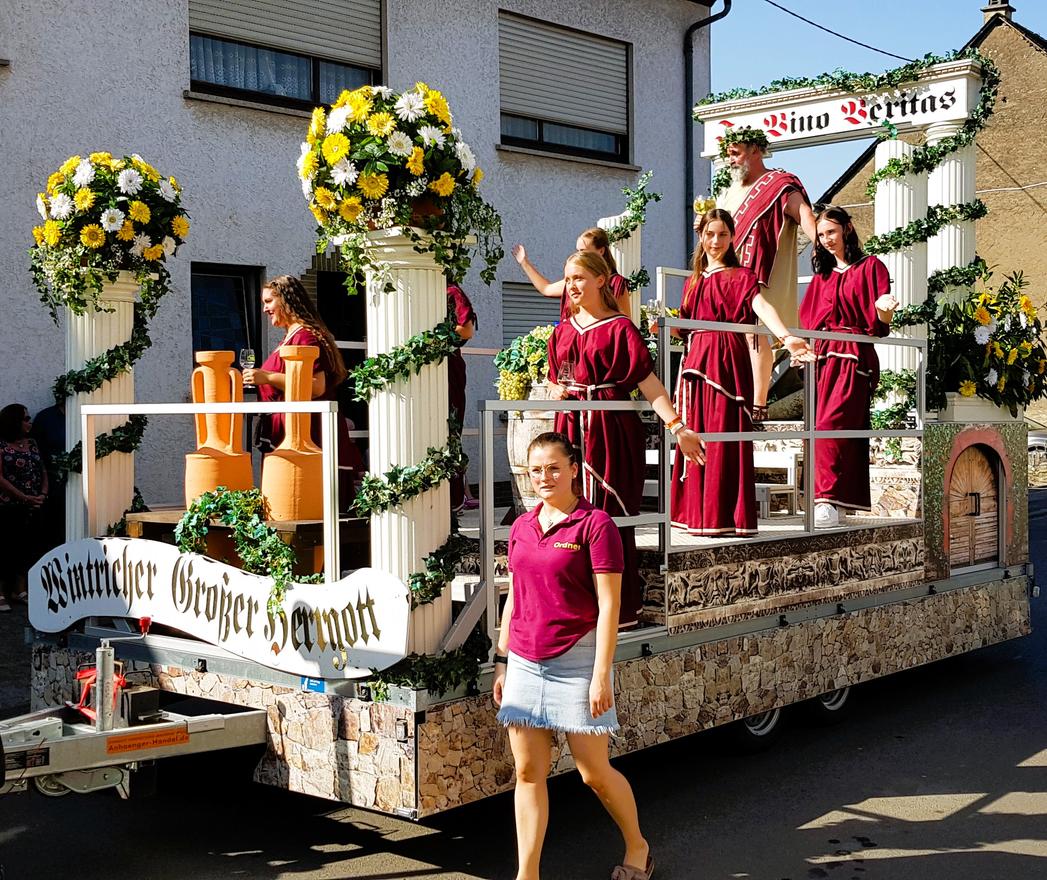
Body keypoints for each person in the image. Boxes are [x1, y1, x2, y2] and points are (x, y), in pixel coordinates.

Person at [493, 431, 654, 880]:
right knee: (527, 772)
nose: (544, 477)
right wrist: (502, 659)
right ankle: (528, 874)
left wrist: (601, 674)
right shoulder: (523, 526)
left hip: (577, 659)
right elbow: (514, 597)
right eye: (535, 469)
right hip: (525, 657)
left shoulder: (595, 525)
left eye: (553, 467)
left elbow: (609, 605)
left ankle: (638, 845)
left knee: (593, 771)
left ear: (573, 469)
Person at [547, 251, 704, 627]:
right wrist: (555, 390)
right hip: (570, 424)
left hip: (611, 427)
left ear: (601, 280)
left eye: (579, 278)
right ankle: (574, 605)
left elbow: (649, 385)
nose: (572, 286)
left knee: (608, 514)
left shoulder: (621, 328)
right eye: (568, 279)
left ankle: (616, 610)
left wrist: (677, 427)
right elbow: (555, 378)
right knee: (566, 511)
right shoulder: (563, 330)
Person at [661, 209, 813, 537]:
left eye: (723, 235)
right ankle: (697, 516)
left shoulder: (742, 276)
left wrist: (787, 336)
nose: (716, 241)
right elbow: (684, 327)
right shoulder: (693, 282)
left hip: (727, 358)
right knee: (697, 435)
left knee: (724, 435)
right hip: (695, 363)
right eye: (710, 234)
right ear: (701, 237)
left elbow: (760, 307)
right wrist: (660, 326)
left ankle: (724, 517)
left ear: (732, 238)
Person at [800, 205, 897, 528]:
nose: (826, 239)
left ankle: (826, 498)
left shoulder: (871, 267)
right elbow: (807, 322)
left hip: (853, 357)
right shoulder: (823, 277)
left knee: (835, 426)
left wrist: (885, 309)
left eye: (832, 231)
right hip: (822, 360)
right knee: (822, 427)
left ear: (847, 229)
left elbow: (880, 321)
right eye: (822, 234)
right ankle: (838, 500)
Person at [718, 126, 818, 424]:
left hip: (761, 270)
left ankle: (758, 404)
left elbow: (803, 215)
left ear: (755, 150)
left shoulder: (779, 183)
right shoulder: (728, 191)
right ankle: (732, 396)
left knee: (754, 334)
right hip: (726, 274)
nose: (730, 160)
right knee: (727, 338)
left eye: (735, 153)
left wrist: (823, 247)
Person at [242, 275, 364, 507]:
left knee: (306, 503)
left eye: (269, 302)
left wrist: (266, 377)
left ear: (287, 300)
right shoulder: (291, 337)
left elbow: (316, 387)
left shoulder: (306, 337)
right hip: (286, 429)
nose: (265, 309)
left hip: (308, 431)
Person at [511, 227, 630, 322]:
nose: (579, 255)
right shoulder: (572, 283)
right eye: (577, 250)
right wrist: (524, 263)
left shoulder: (616, 283)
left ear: (601, 251)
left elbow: (625, 322)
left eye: (583, 251)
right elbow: (546, 289)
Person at [0, 404, 48, 612]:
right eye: (26, 419)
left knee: (28, 547)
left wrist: (42, 494)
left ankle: (20, 589)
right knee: (5, 548)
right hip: (7, 506)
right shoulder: (1, 445)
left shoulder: (32, 444)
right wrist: (23, 497)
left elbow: (42, 469)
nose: (29, 422)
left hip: (33, 505)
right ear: (14, 421)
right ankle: (1, 591)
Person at [446, 280, 477, 515]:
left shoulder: (451, 292)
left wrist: (435, 334)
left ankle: (455, 497)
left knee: (449, 430)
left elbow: (466, 329)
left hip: (447, 369)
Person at [30, 397, 66, 552]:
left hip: (82, 479)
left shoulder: (82, 415)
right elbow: (36, 450)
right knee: (53, 525)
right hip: (52, 481)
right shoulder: (46, 418)